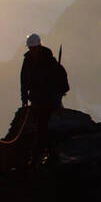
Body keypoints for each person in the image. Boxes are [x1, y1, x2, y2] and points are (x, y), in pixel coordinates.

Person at [19, 33, 67, 165]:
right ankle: (48, 155)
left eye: (33, 48)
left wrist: (57, 96)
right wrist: (24, 98)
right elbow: (24, 80)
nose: (32, 50)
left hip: (48, 99)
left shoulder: (48, 60)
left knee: (43, 127)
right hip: (37, 99)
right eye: (31, 48)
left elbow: (59, 79)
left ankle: (41, 157)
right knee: (42, 127)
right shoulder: (30, 60)